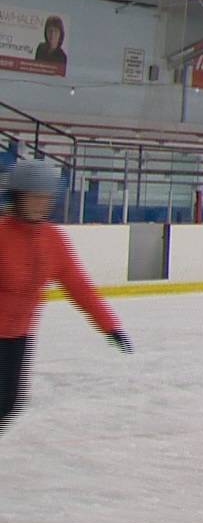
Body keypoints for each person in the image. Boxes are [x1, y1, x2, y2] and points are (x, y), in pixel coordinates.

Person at [0, 158, 130, 431]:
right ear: (17, 198)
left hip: (18, 335)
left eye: (45, 198)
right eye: (33, 197)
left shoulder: (53, 239)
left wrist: (109, 325)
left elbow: (78, 285)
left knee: (9, 403)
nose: (40, 204)